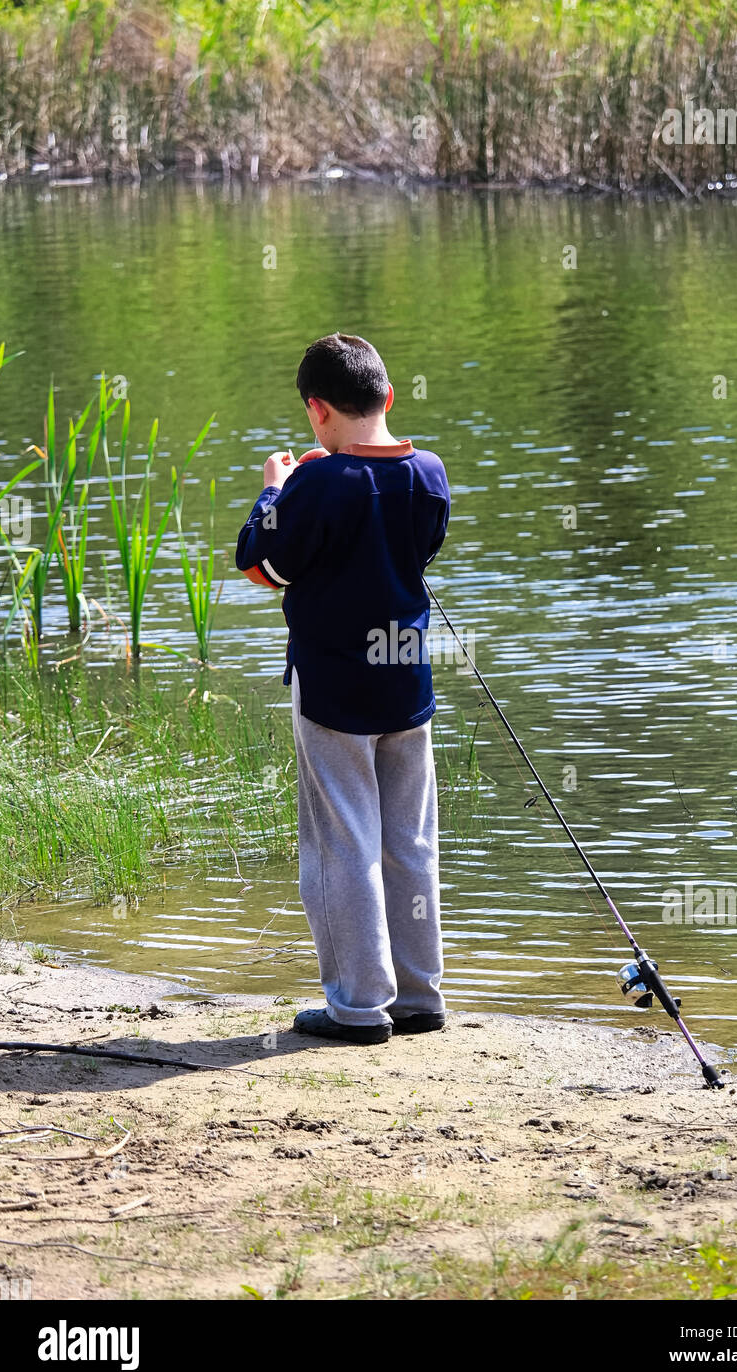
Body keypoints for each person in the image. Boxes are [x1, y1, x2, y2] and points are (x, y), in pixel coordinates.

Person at [236, 333, 450, 1044]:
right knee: (410, 839)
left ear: (316, 410)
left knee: (342, 842)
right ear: (388, 397)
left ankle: (358, 1006)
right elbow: (417, 549)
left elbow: (259, 563)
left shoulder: (315, 483)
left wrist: (275, 486)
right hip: (407, 681)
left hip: (333, 687)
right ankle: (419, 997)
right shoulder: (430, 473)